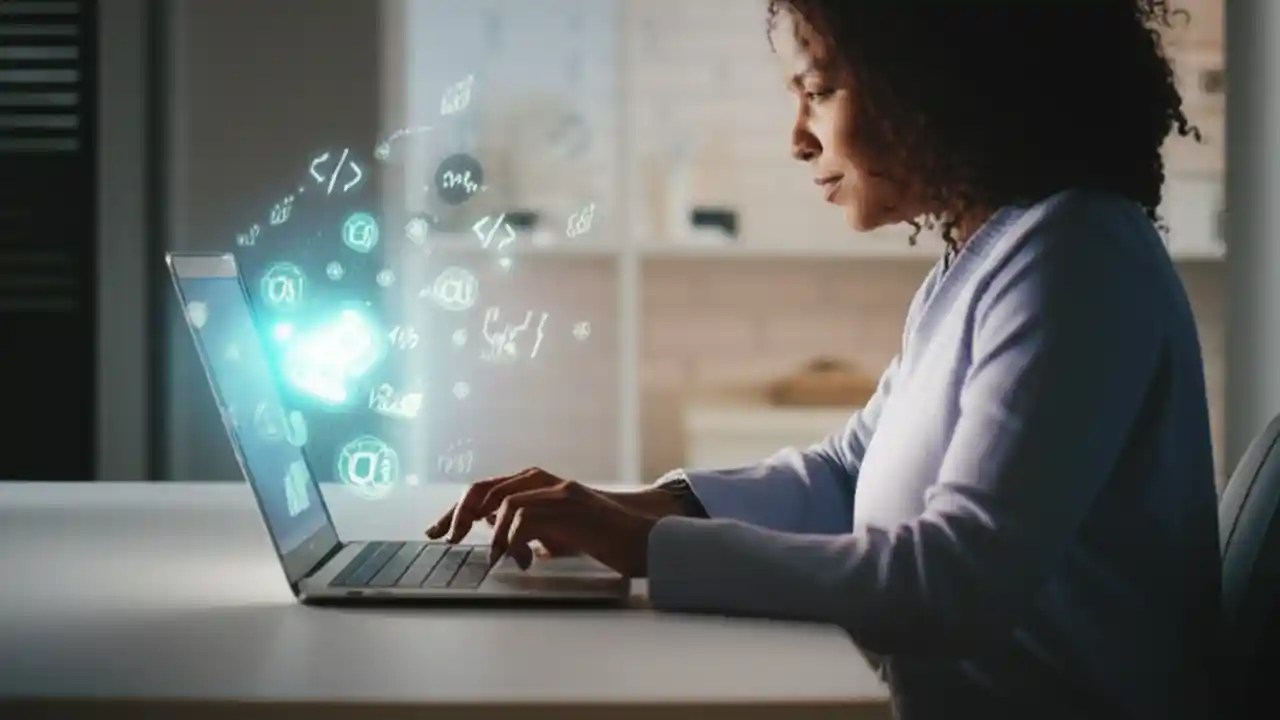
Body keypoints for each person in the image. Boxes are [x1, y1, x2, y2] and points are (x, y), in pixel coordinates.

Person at [426, 1, 1222, 717]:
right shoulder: (989, 255)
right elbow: (846, 475)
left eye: (819, 90)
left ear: (936, 78)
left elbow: (954, 586)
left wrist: (646, 548)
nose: (797, 138)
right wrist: (633, 508)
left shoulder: (1076, 260)